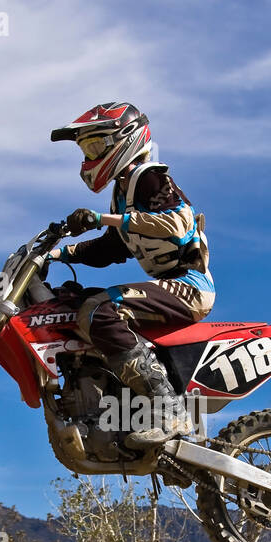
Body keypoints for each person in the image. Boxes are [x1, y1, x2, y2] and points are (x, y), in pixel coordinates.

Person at [49, 102, 214, 448]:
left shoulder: (150, 177)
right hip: (167, 286)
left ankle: (169, 409)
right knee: (76, 302)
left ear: (123, 140)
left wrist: (101, 219)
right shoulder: (122, 193)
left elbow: (176, 222)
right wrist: (57, 253)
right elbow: (111, 248)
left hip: (189, 286)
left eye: (95, 146)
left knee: (100, 310)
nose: (89, 156)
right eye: (86, 150)